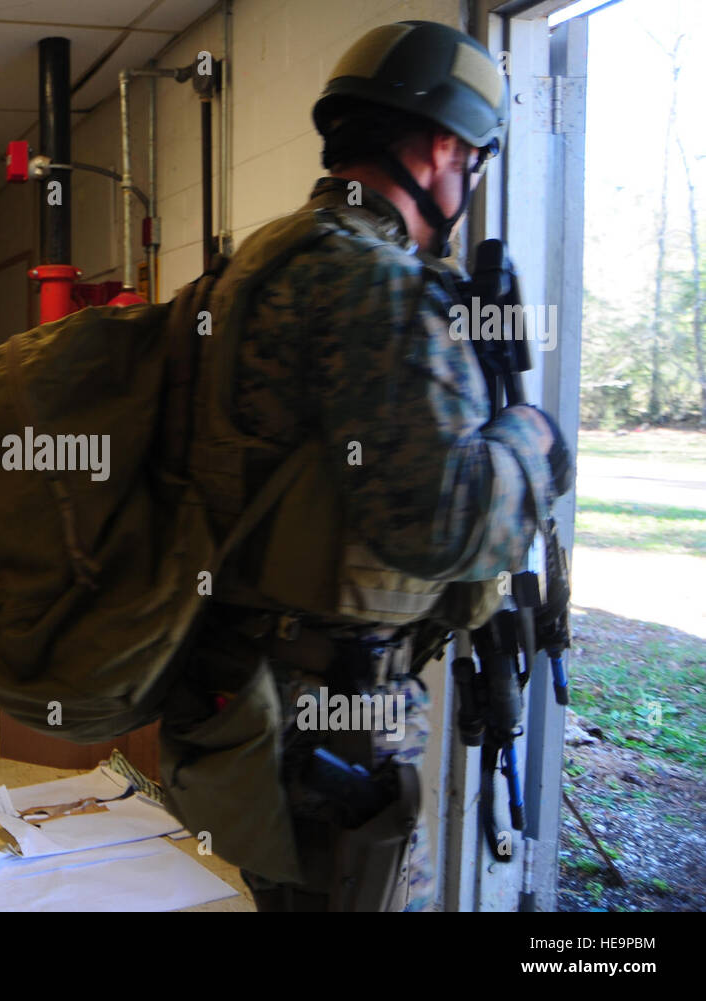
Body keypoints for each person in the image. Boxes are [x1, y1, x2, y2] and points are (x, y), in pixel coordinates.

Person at [157, 20, 574, 912]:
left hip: (252, 683)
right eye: (474, 159)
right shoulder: (379, 283)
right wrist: (533, 444)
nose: (468, 182)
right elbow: (443, 521)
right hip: (334, 708)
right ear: (437, 146)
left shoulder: (261, 260)